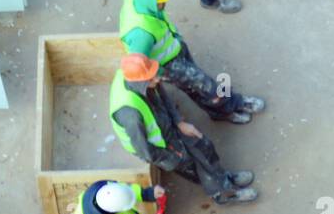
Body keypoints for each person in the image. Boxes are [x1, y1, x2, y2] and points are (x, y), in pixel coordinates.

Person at [110, 54, 257, 206]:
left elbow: (161, 95)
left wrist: (179, 122)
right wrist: (173, 159)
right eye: (152, 79)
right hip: (159, 147)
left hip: (165, 124)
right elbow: (145, 151)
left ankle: (224, 178)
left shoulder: (137, 75)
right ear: (140, 83)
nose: (158, 79)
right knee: (192, 166)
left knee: (204, 147)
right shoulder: (130, 115)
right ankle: (224, 193)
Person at [120, 0, 264, 123]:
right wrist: (160, 73)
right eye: (160, 2)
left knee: (194, 87)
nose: (164, 3)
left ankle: (219, 113)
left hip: (173, 48)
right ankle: (236, 103)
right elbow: (138, 66)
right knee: (206, 85)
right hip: (166, 65)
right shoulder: (141, 35)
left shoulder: (138, 0)